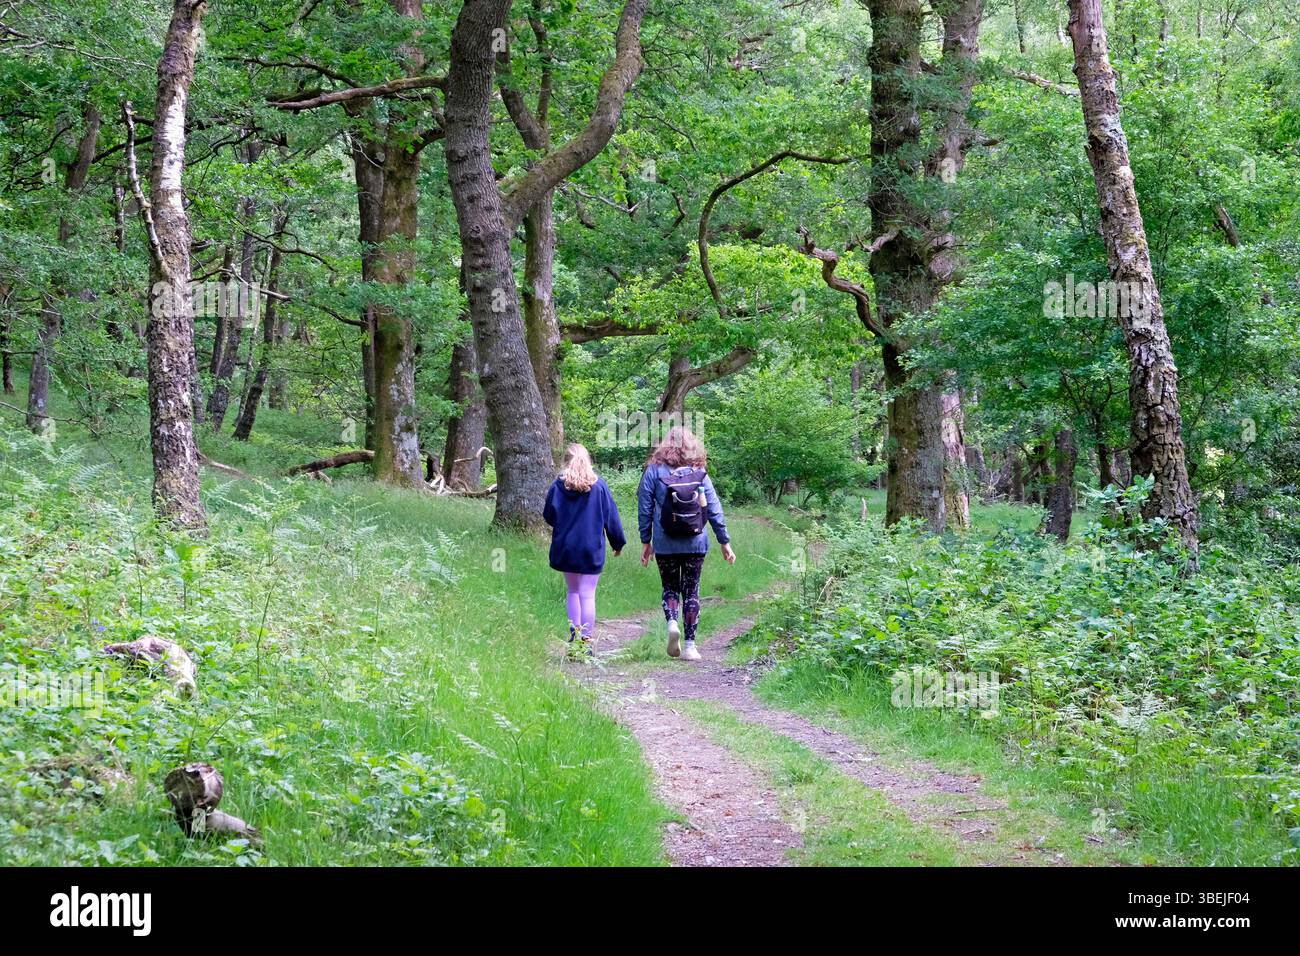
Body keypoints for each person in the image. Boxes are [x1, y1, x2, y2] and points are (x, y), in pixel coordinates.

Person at [637, 426, 736, 661]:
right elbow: (713, 508)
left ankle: (672, 621)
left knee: (670, 587)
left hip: (665, 543)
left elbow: (645, 508)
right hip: (695, 541)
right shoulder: (699, 472)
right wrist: (725, 541)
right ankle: (690, 646)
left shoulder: (654, 471)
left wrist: (645, 540)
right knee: (692, 591)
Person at [543, 443, 626, 653]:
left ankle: (575, 636)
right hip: (591, 548)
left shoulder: (557, 486)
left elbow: (548, 515)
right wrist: (618, 543)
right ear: (588, 460)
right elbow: (611, 517)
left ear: (565, 462)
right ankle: (586, 642)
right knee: (588, 594)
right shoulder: (599, 486)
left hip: (566, 547)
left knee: (573, 591)